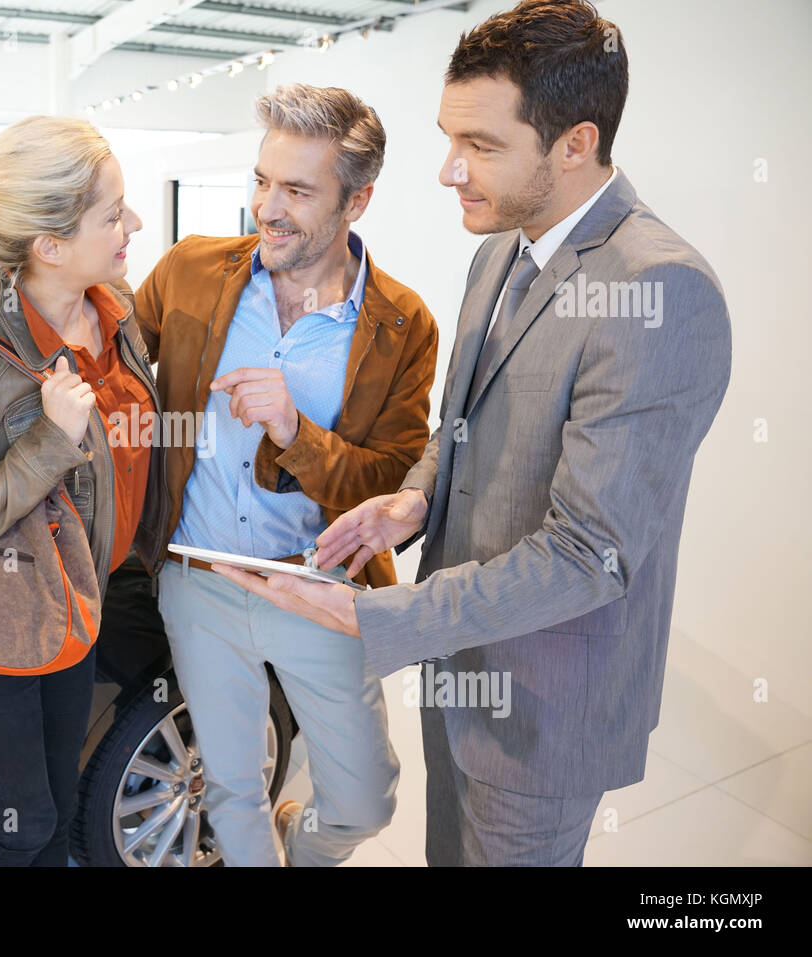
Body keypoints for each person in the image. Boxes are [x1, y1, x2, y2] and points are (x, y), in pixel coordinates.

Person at [213, 0, 732, 866]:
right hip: (461, 663)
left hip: (546, 706)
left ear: (576, 142)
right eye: (450, 139)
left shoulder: (660, 291)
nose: (451, 171)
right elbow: (464, 423)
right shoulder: (499, 250)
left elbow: (590, 551)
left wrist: (374, 616)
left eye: (482, 146)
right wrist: (412, 500)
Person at [134, 84, 440, 866]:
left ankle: (298, 846)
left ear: (357, 200)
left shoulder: (402, 324)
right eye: (263, 180)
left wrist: (295, 433)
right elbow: (112, 363)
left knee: (368, 799)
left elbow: (393, 479)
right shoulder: (192, 271)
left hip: (315, 591)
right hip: (197, 578)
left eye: (298, 191)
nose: (268, 207)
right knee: (233, 788)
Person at [0, 115, 167, 866]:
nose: (133, 224)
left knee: (58, 811)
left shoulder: (118, 312)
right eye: (113, 214)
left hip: (73, 604)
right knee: (22, 827)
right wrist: (49, 444)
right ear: (49, 245)